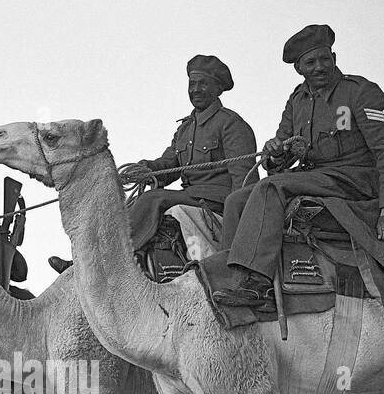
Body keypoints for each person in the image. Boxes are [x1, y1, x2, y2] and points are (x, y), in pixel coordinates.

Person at [211, 25, 384, 308]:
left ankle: (257, 284)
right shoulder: (297, 101)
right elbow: (279, 159)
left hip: (355, 178)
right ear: (299, 68)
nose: (319, 67)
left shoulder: (361, 92)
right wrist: (274, 153)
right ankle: (228, 278)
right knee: (235, 201)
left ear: (333, 56)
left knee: (270, 188)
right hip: (315, 176)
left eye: (324, 59)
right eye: (310, 62)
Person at [48, 55, 255, 273]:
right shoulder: (185, 129)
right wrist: (145, 168)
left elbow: (245, 177)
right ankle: (91, 260)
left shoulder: (231, 124)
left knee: (151, 199)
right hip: (191, 195)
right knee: (126, 205)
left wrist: (241, 224)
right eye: (192, 84)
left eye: (203, 84)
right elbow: (168, 164)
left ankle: (107, 262)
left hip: (215, 201)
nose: (195, 90)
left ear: (218, 89)